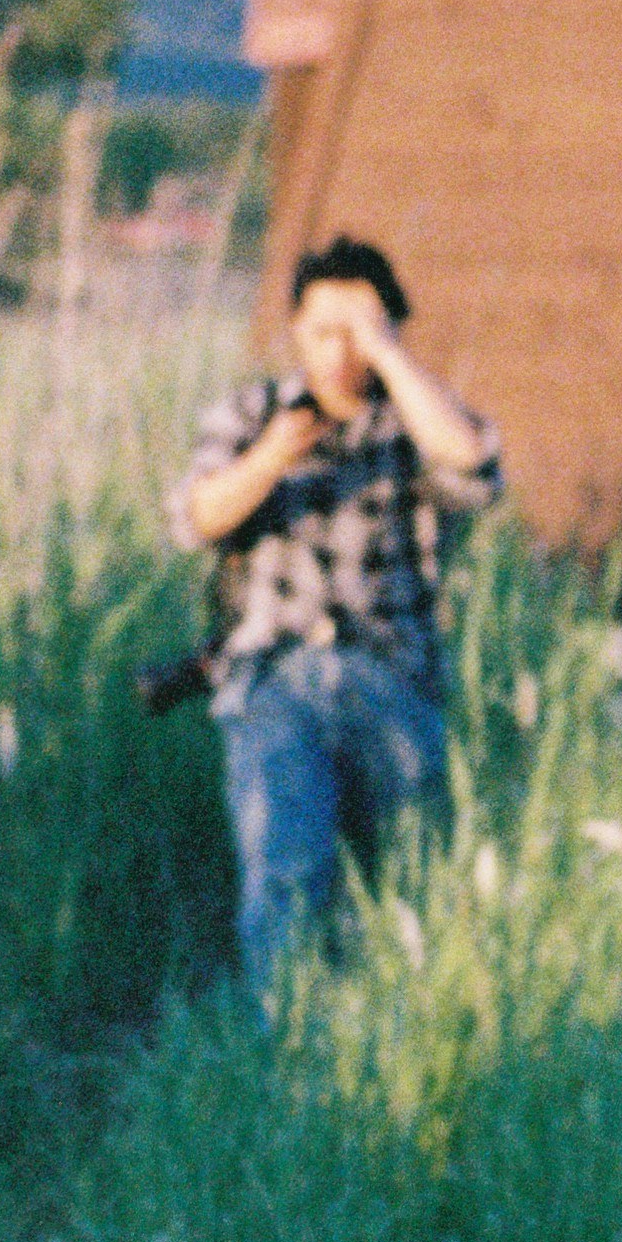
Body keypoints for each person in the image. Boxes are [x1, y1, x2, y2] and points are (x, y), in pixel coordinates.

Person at [172, 235, 502, 980]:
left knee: (413, 877)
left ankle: (403, 1035)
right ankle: (287, 1048)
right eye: (322, 330)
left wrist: (388, 357)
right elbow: (197, 517)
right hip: (274, 676)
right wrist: (272, 456)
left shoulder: (411, 421)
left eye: (357, 330)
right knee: (285, 870)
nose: (337, 351)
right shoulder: (253, 414)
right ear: (295, 331)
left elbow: (474, 464)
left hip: (392, 677)